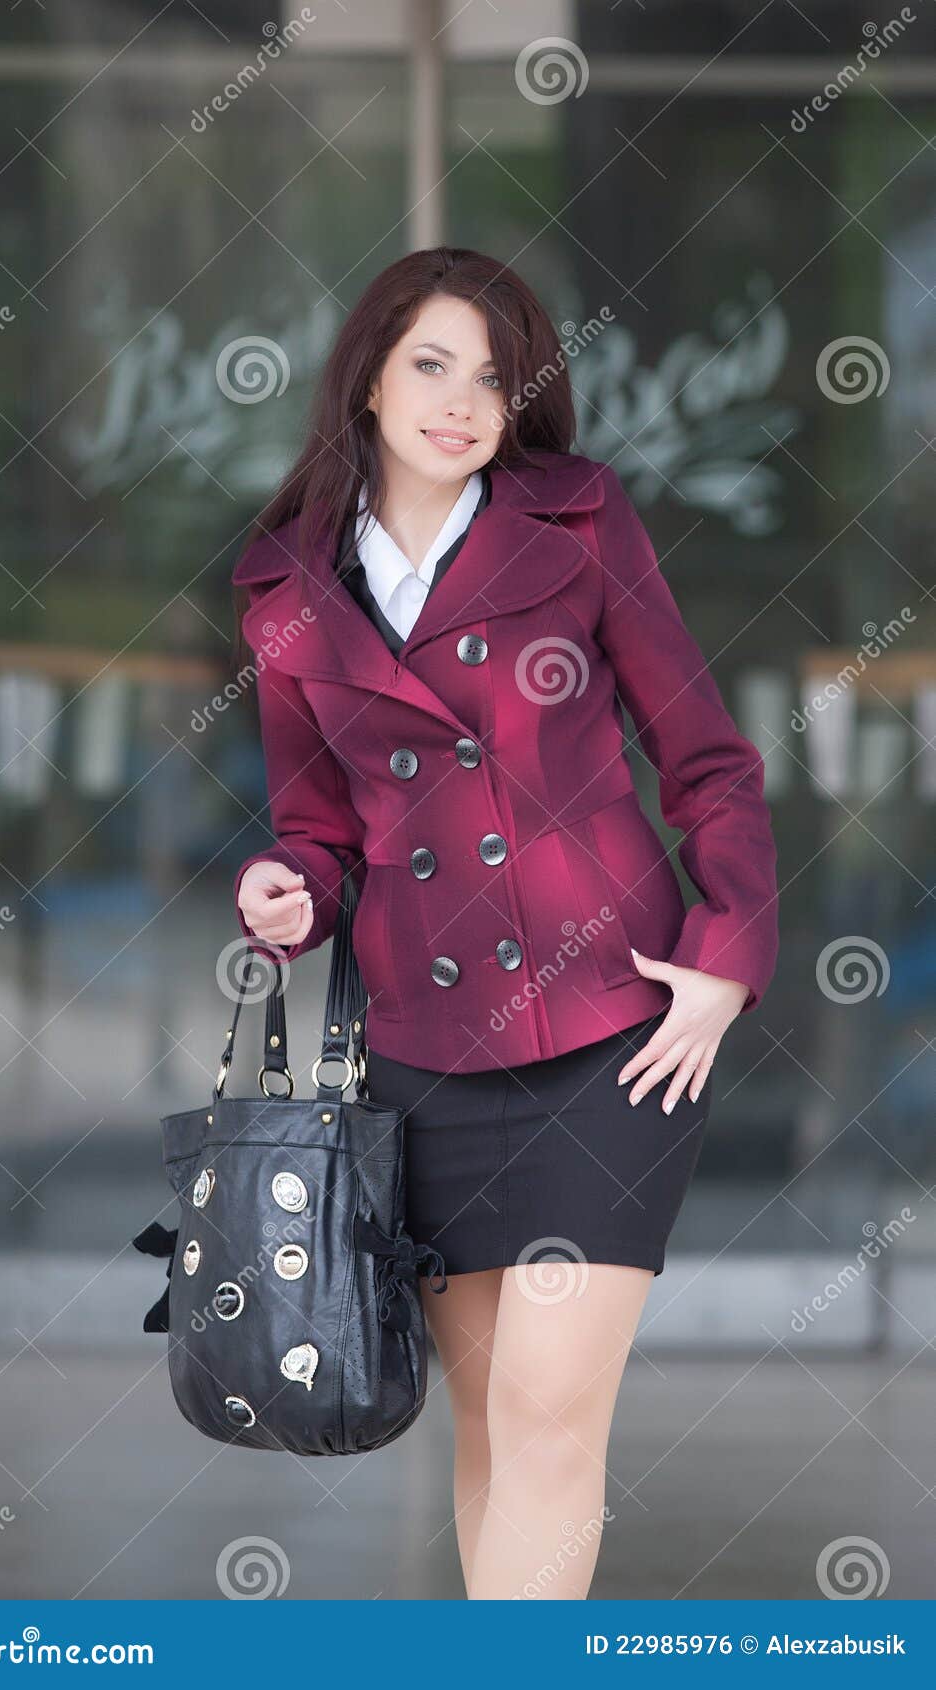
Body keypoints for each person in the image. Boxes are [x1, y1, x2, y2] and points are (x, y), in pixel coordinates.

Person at [229, 247, 779, 1600]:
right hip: (419, 1046)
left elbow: (706, 761)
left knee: (544, 1409)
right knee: (487, 1421)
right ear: (367, 377)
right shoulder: (286, 589)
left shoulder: (580, 523)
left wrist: (723, 960)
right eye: (431, 364)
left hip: (611, 1028)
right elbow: (320, 827)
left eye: (493, 375)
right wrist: (286, 892)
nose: (462, 400)